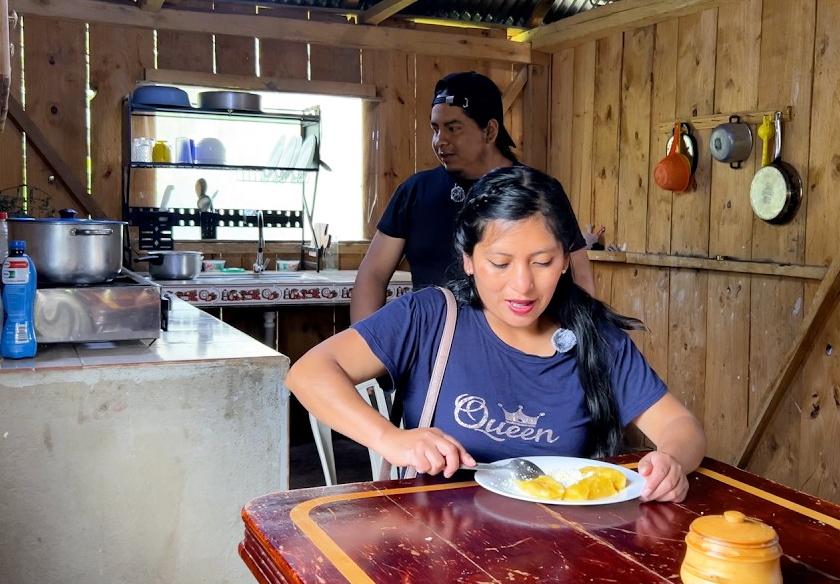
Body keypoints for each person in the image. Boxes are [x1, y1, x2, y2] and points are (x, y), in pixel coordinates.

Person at [287, 165, 705, 502]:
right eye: (500, 263)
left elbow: (681, 426)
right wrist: (390, 439)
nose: (522, 286)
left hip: (557, 559)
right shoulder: (430, 318)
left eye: (542, 262)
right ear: (468, 260)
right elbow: (309, 372)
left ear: (564, 261)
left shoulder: (595, 337)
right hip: (439, 555)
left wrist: (669, 460)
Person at [351, 71, 595, 322]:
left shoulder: (540, 192)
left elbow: (580, 275)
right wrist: (365, 346)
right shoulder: (415, 191)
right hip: (434, 346)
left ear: (490, 131)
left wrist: (577, 341)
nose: (440, 141)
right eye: (435, 129)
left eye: (453, 129)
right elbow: (373, 274)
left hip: (521, 348)